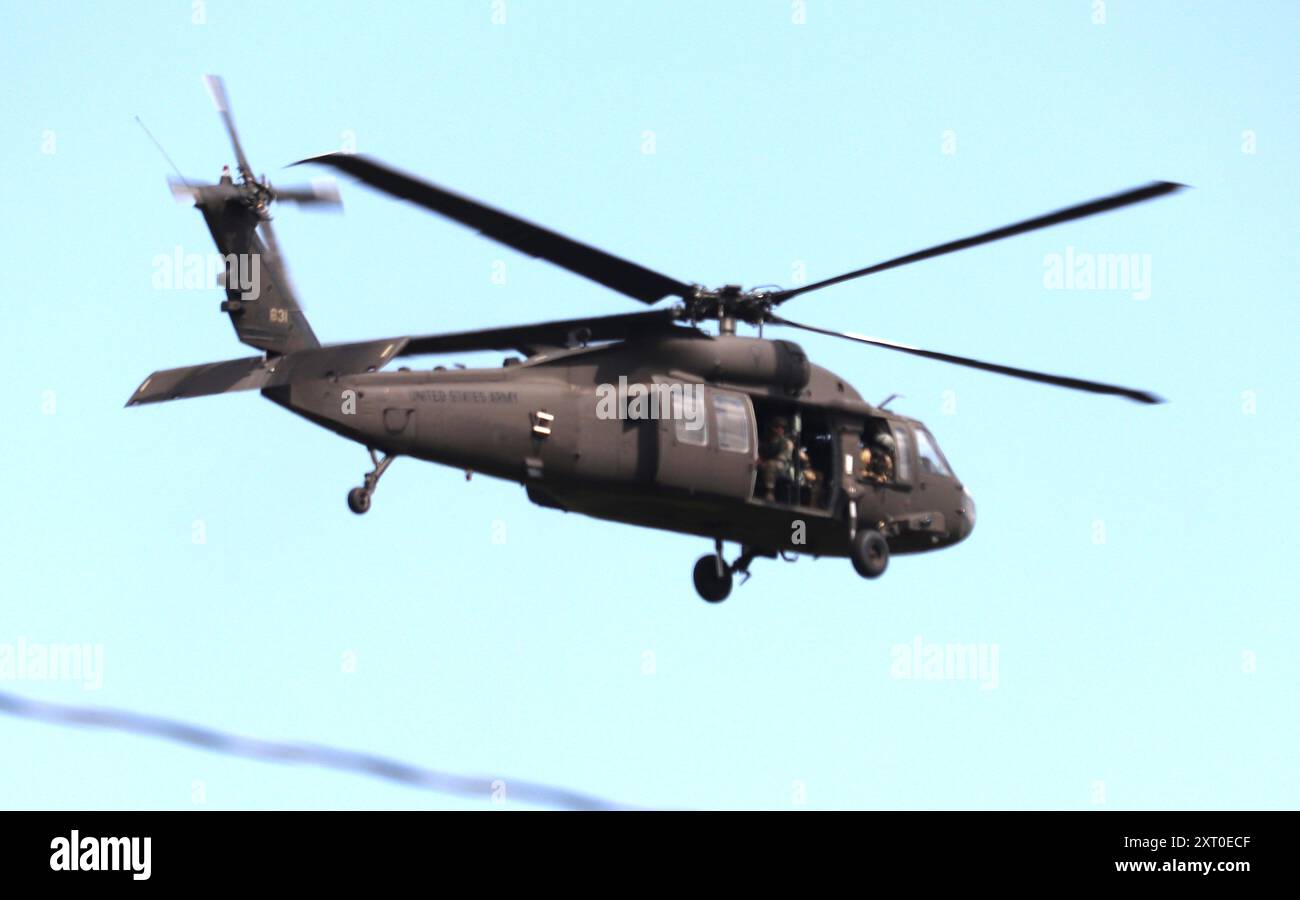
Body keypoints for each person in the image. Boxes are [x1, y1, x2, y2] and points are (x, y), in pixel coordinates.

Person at [760, 417, 794, 502]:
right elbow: (762, 451)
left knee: (771, 464)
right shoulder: (769, 441)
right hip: (767, 462)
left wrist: (765, 461)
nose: (780, 430)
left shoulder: (786, 442)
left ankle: (770, 492)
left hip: (783, 466)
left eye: (782, 428)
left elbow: (782, 458)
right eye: (778, 427)